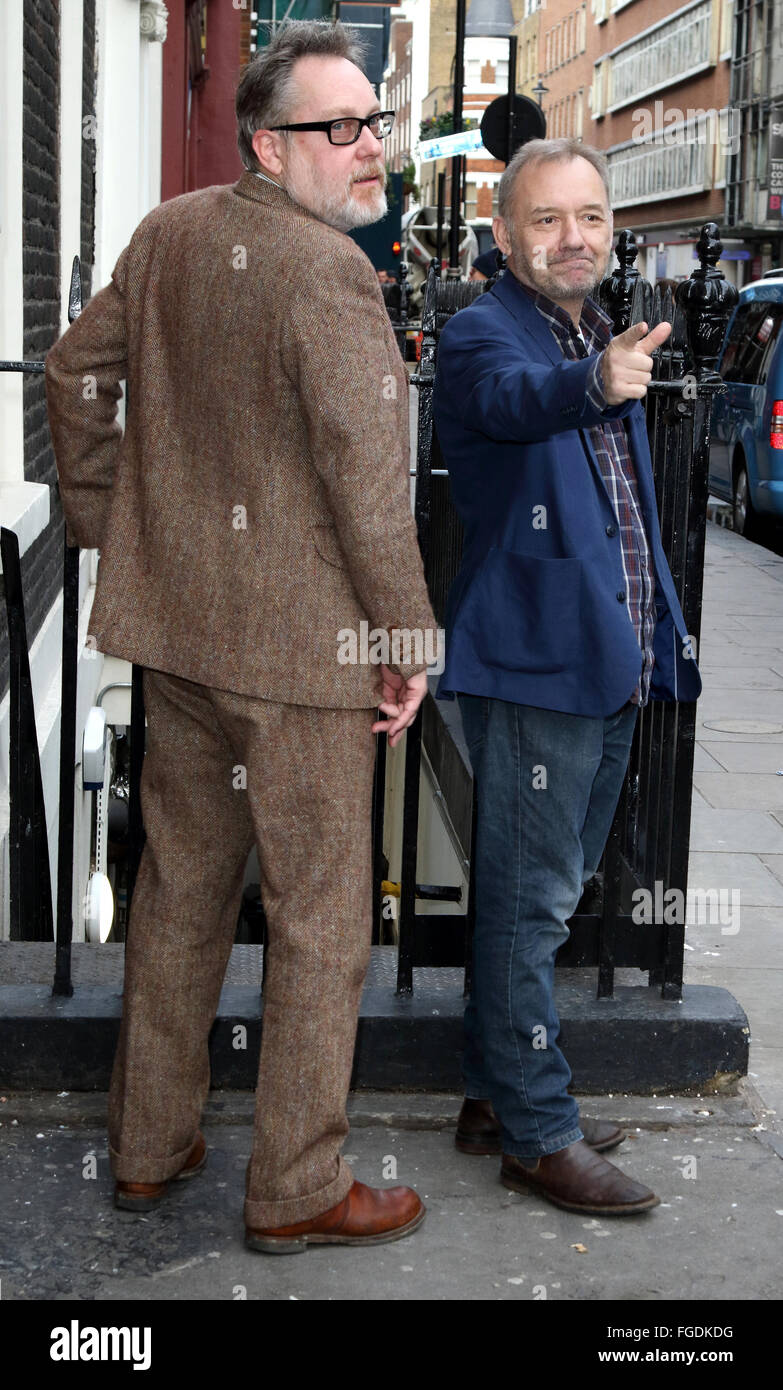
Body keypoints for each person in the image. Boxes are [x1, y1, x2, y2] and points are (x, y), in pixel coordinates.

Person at [44, 20, 439, 1254]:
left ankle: (149, 1152)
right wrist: (408, 646)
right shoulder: (330, 276)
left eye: (374, 121)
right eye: (340, 128)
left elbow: (70, 374)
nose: (370, 146)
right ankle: (299, 1186)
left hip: (184, 640)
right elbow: (369, 492)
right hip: (308, 660)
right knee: (323, 923)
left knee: (179, 899)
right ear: (269, 147)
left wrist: (120, 526)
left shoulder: (169, 233)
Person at [433, 137, 701, 1217]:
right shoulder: (484, 335)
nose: (573, 236)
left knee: (542, 897)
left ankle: (497, 1096)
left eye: (589, 216)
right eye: (546, 219)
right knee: (528, 906)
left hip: (613, 658)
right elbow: (512, 402)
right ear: (504, 236)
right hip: (538, 666)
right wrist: (592, 381)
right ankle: (538, 1133)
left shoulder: (596, 326)